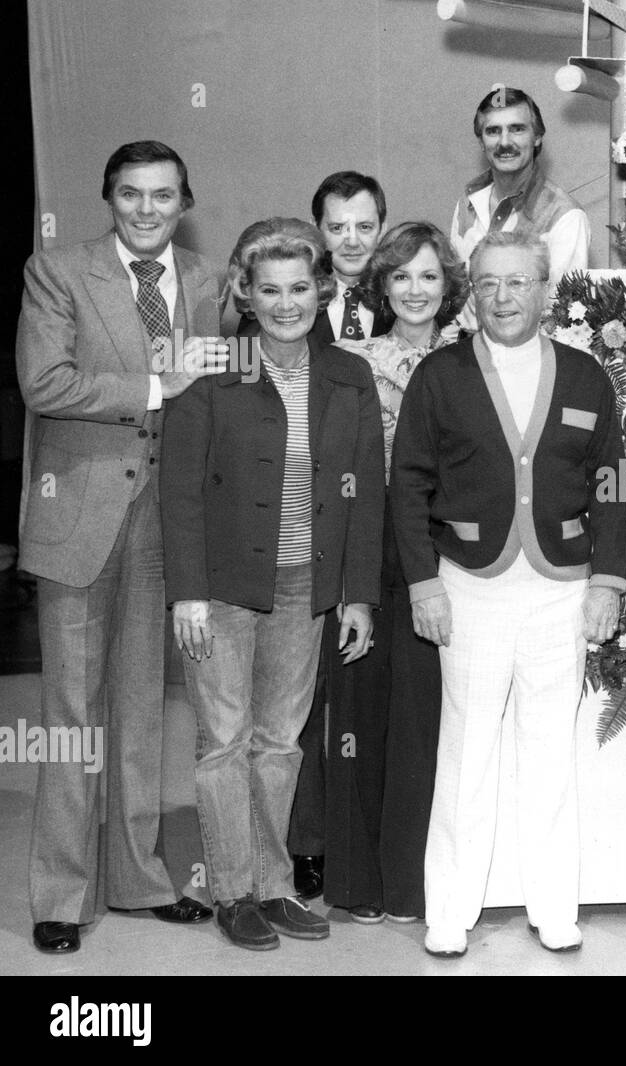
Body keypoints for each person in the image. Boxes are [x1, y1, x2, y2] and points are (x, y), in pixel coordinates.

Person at [390, 230, 626, 957]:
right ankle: (450, 911)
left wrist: (610, 581)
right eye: (489, 284)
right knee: (465, 754)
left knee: (551, 754)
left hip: (561, 592)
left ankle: (554, 908)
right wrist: (425, 581)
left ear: (546, 289)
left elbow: (611, 486)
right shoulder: (441, 375)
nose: (503, 298)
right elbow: (408, 483)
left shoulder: (587, 377)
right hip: (469, 591)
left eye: (518, 283)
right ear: (473, 291)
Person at [17, 140, 227, 954]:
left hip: (162, 521)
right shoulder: (59, 272)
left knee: (143, 712)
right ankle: (61, 897)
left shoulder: (206, 284)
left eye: (163, 196)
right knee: (73, 715)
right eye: (131, 194)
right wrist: (154, 387)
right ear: (109, 198)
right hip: (78, 518)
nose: (147, 209)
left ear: (185, 203)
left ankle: (139, 878)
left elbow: (221, 396)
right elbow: (45, 382)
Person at [161, 218, 385, 950]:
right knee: (223, 741)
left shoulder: (349, 375)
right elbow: (181, 491)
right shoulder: (213, 374)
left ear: (320, 290)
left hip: (305, 588)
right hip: (224, 589)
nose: (286, 303)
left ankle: (275, 882)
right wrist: (187, 592)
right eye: (269, 290)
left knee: (280, 743)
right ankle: (232, 891)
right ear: (245, 294)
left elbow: (366, 495)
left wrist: (356, 591)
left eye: (299, 288)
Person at [324, 221, 468, 923]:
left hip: (445, 554)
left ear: (450, 285)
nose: (415, 290)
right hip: (367, 547)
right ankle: (356, 883)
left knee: (423, 718)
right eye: (402, 277)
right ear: (382, 285)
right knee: (359, 716)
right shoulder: (351, 362)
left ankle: (412, 884)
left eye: (429, 276)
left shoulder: (475, 360)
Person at [284, 170, 389, 901]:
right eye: (337, 227)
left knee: (375, 691)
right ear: (318, 232)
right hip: (312, 522)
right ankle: (308, 842)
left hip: (392, 521)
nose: (351, 240)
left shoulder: (413, 294)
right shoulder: (292, 307)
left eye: (364, 225)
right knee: (306, 698)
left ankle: (378, 835)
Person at [449, 86, 589, 333]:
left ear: (537, 137)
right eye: (493, 131)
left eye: (517, 129)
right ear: (481, 142)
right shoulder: (467, 203)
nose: (504, 142)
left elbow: (562, 315)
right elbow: (453, 291)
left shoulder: (565, 216)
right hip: (466, 354)